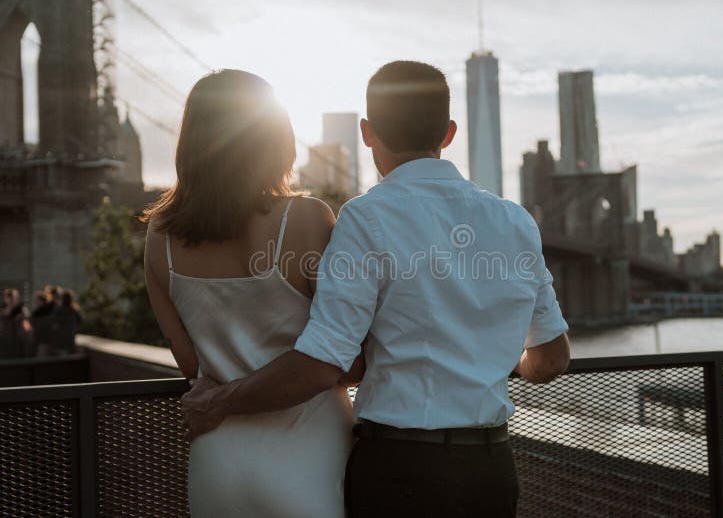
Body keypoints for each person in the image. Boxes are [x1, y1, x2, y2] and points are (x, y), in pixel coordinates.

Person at [182, 61, 571, 517]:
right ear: (448, 133)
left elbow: (324, 361)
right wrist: (489, 360)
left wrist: (219, 402)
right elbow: (552, 358)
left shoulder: (365, 219)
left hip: (398, 470)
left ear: (367, 133)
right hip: (490, 469)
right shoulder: (515, 222)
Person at [142, 70, 358, 518]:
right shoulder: (308, 219)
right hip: (312, 451)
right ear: (275, 136)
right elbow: (348, 360)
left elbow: (194, 369)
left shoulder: (159, 236)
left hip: (218, 458)